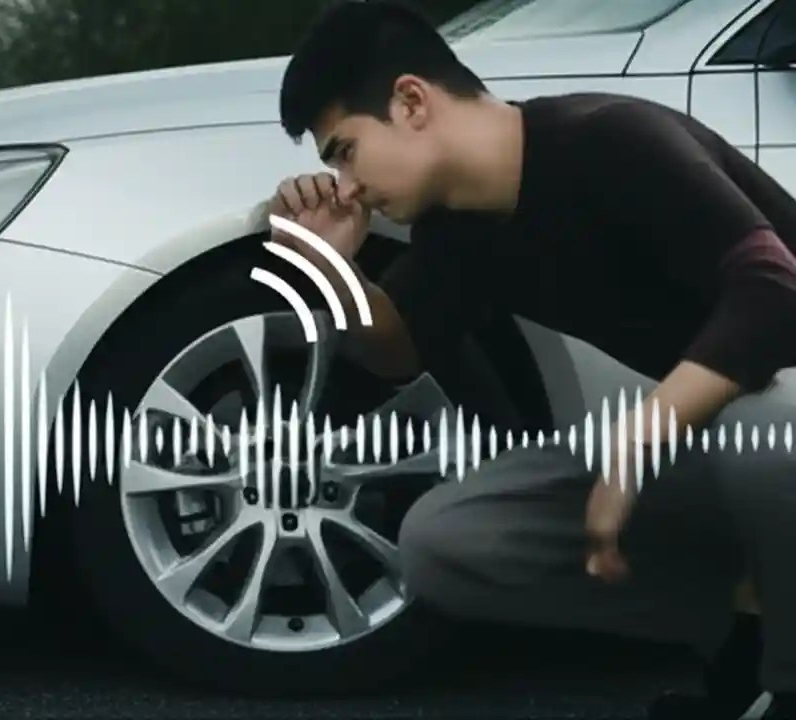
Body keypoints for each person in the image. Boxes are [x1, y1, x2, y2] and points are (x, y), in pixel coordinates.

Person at [266, 1, 796, 718]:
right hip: (728, 447)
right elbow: (397, 353)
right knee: (447, 539)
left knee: (762, 429)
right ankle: (746, 644)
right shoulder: (461, 229)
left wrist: (638, 444)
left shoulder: (610, 137)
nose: (348, 185)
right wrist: (333, 269)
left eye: (344, 150)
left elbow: (772, 289)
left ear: (411, 101)